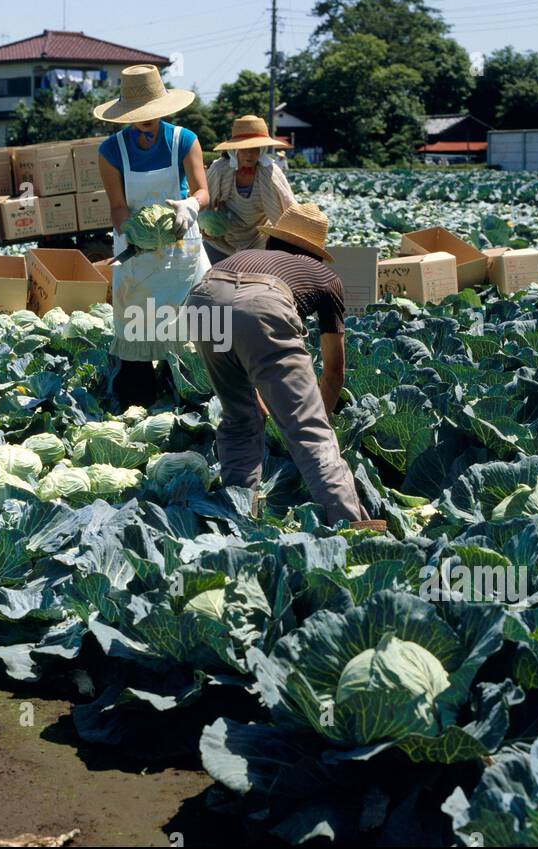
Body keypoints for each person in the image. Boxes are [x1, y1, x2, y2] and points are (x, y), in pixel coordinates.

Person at [184, 202, 379, 529]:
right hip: (262, 305)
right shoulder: (326, 277)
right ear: (316, 252)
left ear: (273, 240)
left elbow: (245, 344)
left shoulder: (249, 254)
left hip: (204, 299)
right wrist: (316, 419)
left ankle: (237, 514)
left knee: (239, 417)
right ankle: (354, 528)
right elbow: (333, 369)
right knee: (310, 433)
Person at [95, 65, 210, 408]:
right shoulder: (110, 151)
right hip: (136, 251)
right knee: (137, 336)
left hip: (181, 247)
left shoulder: (184, 140)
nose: (146, 119)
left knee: (190, 336)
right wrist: (132, 232)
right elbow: (117, 206)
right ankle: (135, 388)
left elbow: (204, 191)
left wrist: (191, 205)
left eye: (152, 112)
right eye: (139, 114)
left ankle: (185, 389)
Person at [202, 115, 295, 264]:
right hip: (222, 242)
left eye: (255, 149)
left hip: (260, 242)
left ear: (262, 150)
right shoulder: (220, 170)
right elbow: (205, 203)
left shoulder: (270, 172)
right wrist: (208, 225)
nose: (250, 154)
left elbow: (288, 208)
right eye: (245, 149)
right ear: (235, 149)